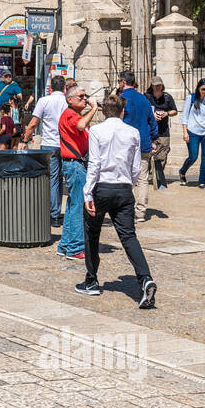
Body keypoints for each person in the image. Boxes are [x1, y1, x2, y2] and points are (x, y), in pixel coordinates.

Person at [78, 91, 157, 309]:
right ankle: (145, 278)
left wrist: (87, 193)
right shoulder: (133, 132)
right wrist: (128, 185)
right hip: (123, 189)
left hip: (101, 188)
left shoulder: (96, 131)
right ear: (122, 111)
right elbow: (135, 166)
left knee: (92, 233)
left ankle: (91, 280)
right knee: (129, 237)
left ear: (103, 112)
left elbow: (94, 164)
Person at [56, 85, 98, 261]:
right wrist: (94, 108)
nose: (84, 98)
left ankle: (65, 244)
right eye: (80, 96)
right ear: (70, 100)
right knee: (78, 206)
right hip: (75, 165)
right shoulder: (71, 115)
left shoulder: (73, 114)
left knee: (73, 205)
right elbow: (81, 125)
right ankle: (74, 248)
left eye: (85, 96)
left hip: (74, 164)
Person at [21, 74, 68, 223]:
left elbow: (33, 123)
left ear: (50, 88)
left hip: (49, 144)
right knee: (64, 179)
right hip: (66, 145)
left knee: (53, 179)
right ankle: (61, 209)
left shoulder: (44, 101)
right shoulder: (68, 101)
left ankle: (54, 213)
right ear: (65, 89)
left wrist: (25, 140)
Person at [118, 71, 158, 220]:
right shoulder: (144, 100)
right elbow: (152, 122)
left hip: (125, 144)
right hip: (144, 143)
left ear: (122, 81)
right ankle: (140, 211)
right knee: (142, 179)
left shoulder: (121, 99)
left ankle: (126, 209)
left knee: (124, 177)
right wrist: (154, 139)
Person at [179, 79, 205, 188]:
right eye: (203, 89)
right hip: (193, 132)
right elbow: (185, 116)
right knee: (193, 156)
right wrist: (185, 132)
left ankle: (202, 182)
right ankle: (182, 171)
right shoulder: (191, 98)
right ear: (198, 88)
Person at [145, 77, 177, 190]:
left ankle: (158, 178)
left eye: (159, 84)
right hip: (149, 131)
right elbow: (143, 110)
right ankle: (145, 178)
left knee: (162, 155)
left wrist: (166, 113)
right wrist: (152, 115)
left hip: (163, 132)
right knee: (147, 155)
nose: (157, 86)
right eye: (155, 85)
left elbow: (175, 111)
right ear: (152, 85)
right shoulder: (147, 97)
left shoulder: (167, 97)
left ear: (162, 85)